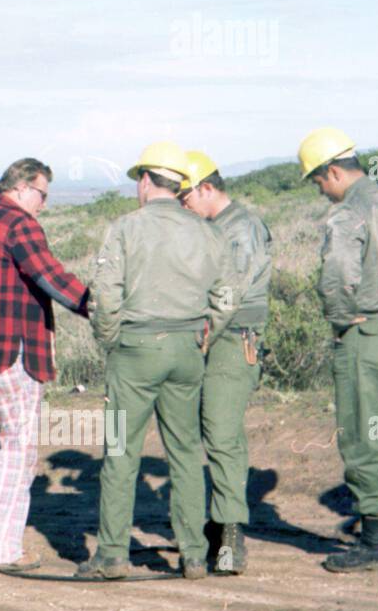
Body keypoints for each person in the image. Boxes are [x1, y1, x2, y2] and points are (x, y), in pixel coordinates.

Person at [78, 142, 239, 581]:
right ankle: (192, 555)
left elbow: (105, 295)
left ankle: (111, 556)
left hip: (135, 350)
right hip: (188, 351)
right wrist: (208, 334)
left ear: (146, 180)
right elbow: (227, 296)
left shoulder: (125, 228)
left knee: (118, 450)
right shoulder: (208, 231)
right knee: (186, 452)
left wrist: (109, 340)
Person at [0, 158, 90, 574]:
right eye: (42, 195)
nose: (43, 204)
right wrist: (95, 304)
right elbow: (51, 276)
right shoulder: (18, 223)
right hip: (7, 358)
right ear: (23, 188)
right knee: (19, 449)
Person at [299, 128, 378, 571]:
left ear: (333, 171)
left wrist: (339, 316)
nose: (321, 190)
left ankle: (374, 540)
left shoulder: (348, 213)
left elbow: (336, 275)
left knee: (361, 436)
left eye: (319, 181)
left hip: (366, 338)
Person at [179, 150, 272, 574]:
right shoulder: (216, 227)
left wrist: (199, 337)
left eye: (186, 197)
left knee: (221, 437)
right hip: (213, 340)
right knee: (216, 435)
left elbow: (228, 295)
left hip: (231, 342)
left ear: (207, 189)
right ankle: (220, 524)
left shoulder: (241, 228)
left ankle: (230, 535)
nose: (183, 205)